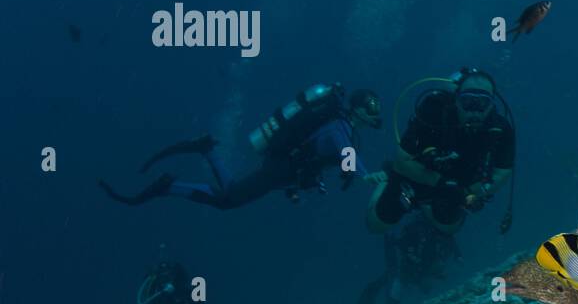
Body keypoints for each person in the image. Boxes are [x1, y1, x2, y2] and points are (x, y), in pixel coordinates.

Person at [99, 84, 382, 210]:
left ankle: (200, 154)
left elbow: (334, 154)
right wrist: (364, 174)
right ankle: (178, 176)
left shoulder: (342, 126)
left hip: (283, 171)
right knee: (230, 198)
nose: (375, 113)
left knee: (230, 197)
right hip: (280, 167)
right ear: (356, 108)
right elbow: (345, 151)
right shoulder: (339, 126)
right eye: (371, 108)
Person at [367, 68, 515, 235]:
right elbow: (402, 161)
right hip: (415, 174)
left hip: (459, 186)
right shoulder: (433, 111)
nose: (474, 110)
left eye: (482, 103)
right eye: (468, 102)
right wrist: (441, 183)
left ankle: (427, 209)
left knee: (447, 225)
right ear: (457, 100)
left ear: (491, 105)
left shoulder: (500, 129)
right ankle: (386, 182)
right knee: (378, 223)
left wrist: (469, 192)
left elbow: (503, 172)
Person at [351, 214, 458, 304]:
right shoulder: (416, 237)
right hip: (408, 269)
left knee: (399, 284)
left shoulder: (433, 243)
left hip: (417, 268)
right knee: (395, 284)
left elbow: (447, 245)